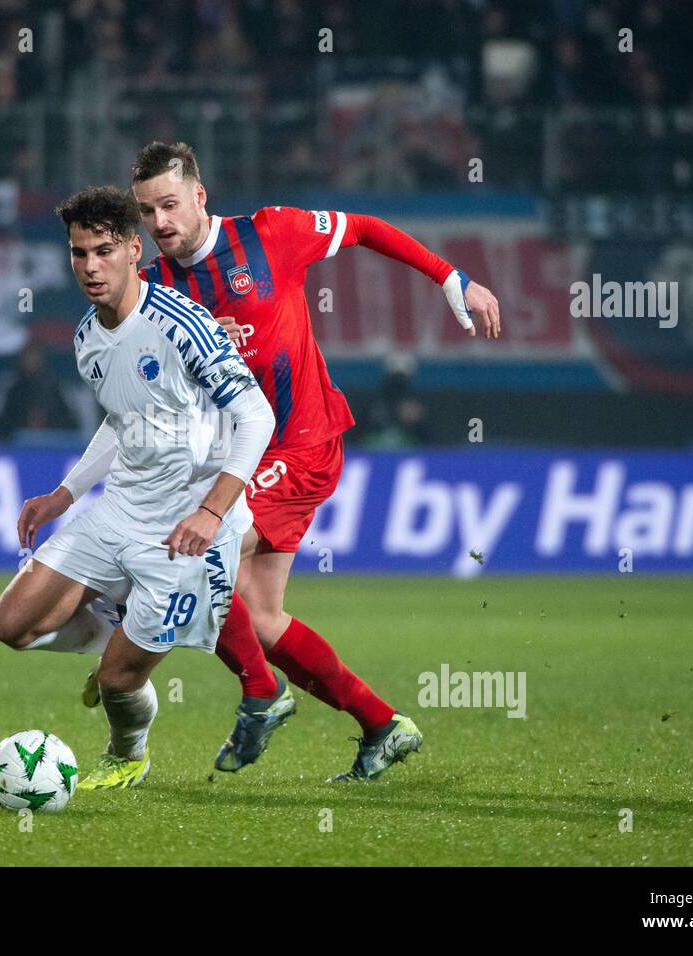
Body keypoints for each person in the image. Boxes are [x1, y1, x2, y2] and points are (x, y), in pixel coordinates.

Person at [121, 141, 503, 781]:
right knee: (258, 616)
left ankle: (260, 695)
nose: (160, 222)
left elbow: (365, 228)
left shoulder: (272, 233)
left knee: (192, 558)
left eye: (169, 204)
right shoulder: (153, 288)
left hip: (301, 445)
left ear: (199, 196)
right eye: (146, 211)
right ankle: (382, 725)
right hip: (235, 460)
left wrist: (450, 278)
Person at [0, 185, 275, 790]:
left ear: (133, 250)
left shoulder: (184, 325)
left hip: (184, 533)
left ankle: (128, 752)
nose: (90, 267)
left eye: (103, 251)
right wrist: (64, 494)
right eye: (78, 253)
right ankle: (120, 632)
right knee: (13, 625)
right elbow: (122, 421)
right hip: (120, 509)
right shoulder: (87, 336)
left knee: (120, 682)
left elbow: (257, 418)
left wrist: (211, 511)